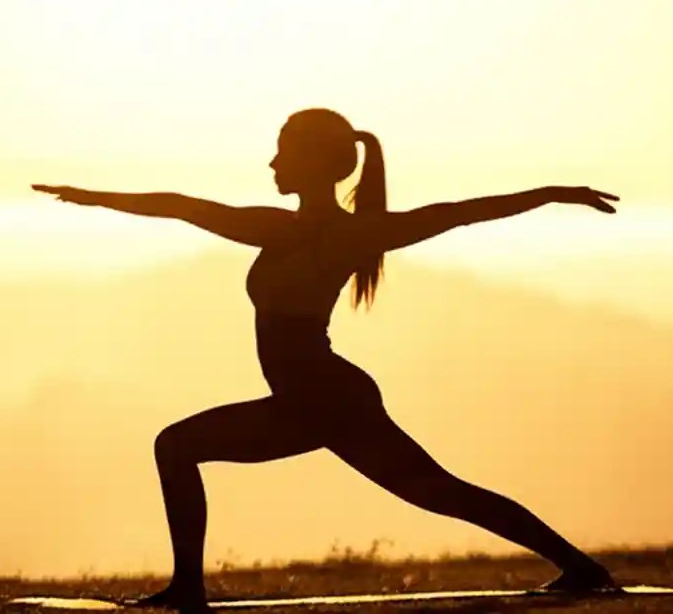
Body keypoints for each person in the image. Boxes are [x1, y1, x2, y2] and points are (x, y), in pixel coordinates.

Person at [32, 108, 620, 612]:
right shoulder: (278, 227)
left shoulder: (328, 234)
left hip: (324, 398)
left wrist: (553, 194)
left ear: (313, 162)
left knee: (437, 493)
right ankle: (581, 568)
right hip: (315, 398)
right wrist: (92, 197)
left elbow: (458, 211)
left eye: (282, 152)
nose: (271, 165)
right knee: (440, 492)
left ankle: (188, 591)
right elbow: (181, 206)